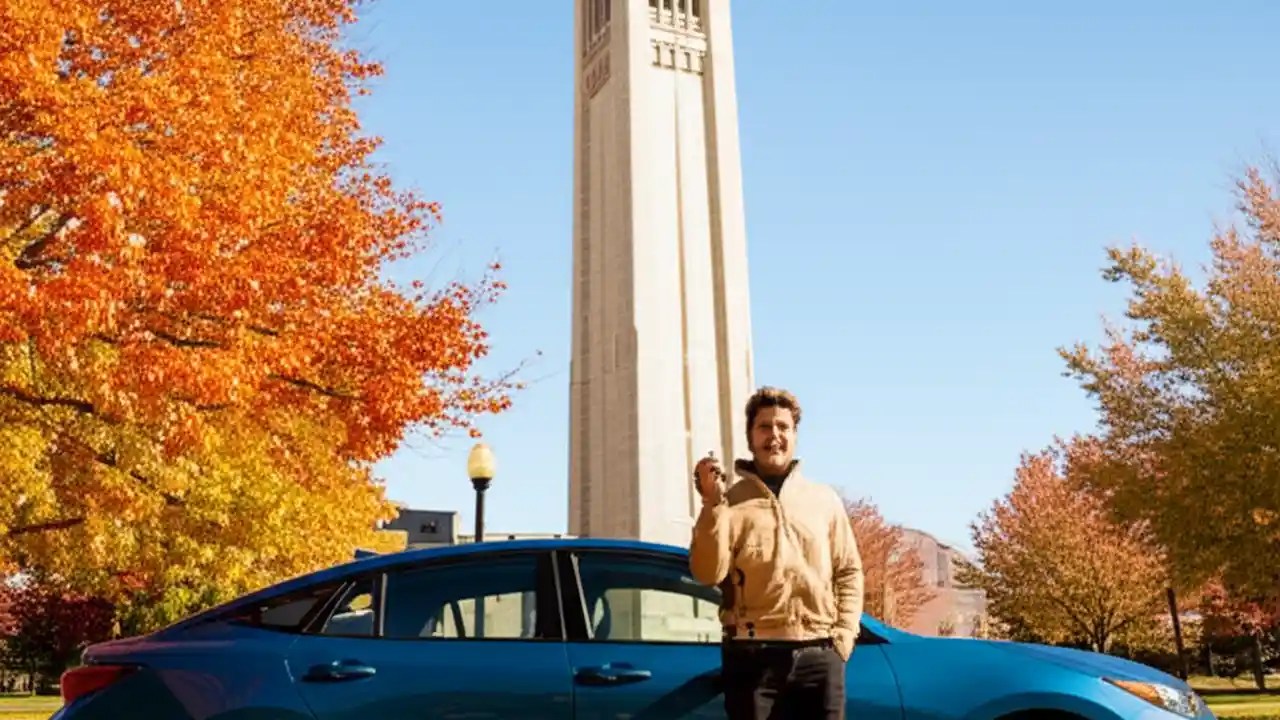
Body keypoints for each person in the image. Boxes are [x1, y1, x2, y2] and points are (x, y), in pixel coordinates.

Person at [689, 386, 864, 720]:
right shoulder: (728, 504)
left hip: (820, 655)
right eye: (764, 427)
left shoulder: (823, 500)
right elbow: (707, 572)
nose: (774, 436)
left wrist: (843, 637)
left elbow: (849, 571)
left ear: (795, 434)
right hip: (753, 659)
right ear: (750, 436)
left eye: (783, 427)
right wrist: (711, 505)